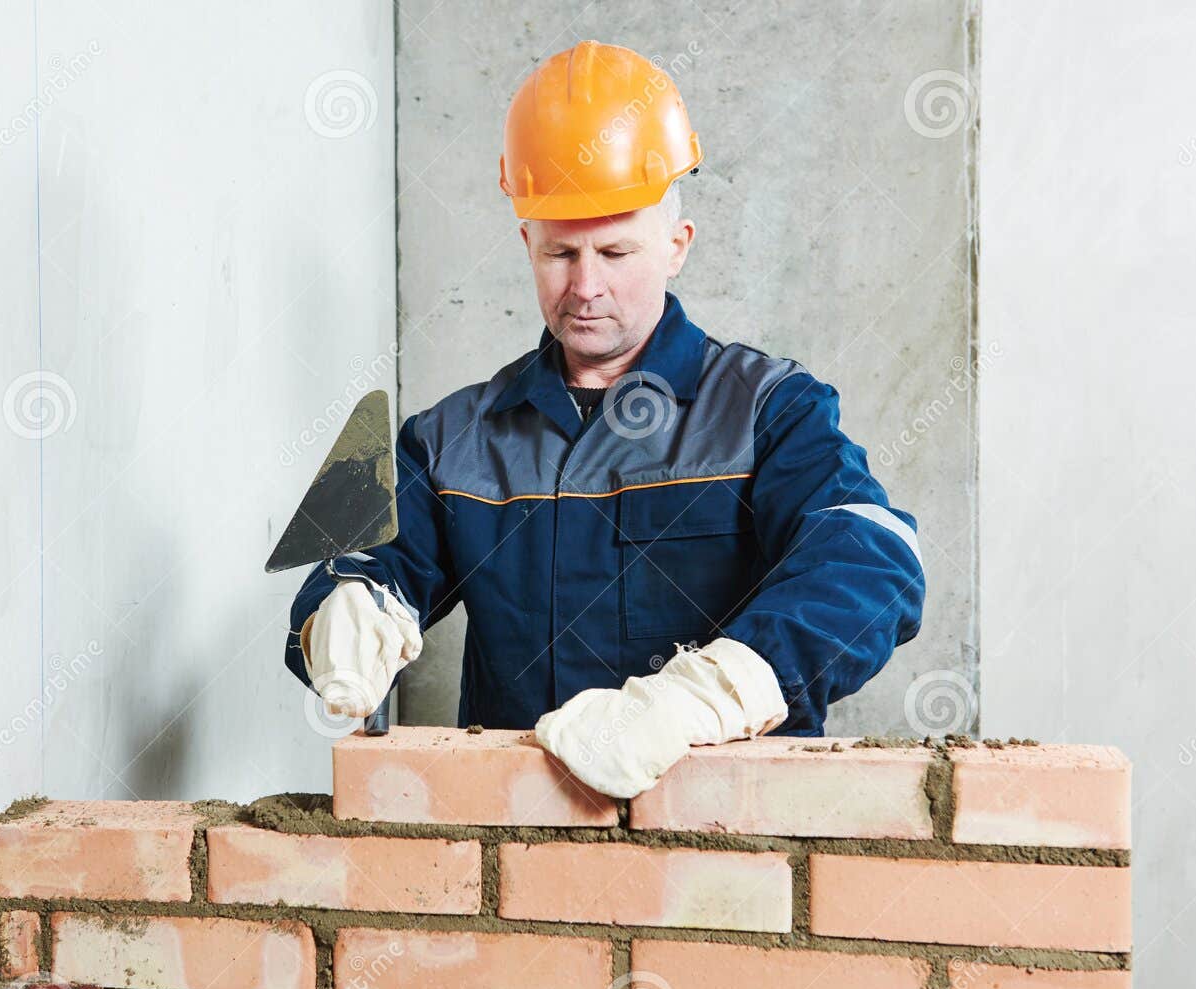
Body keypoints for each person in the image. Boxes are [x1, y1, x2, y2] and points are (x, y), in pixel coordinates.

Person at [285, 40, 924, 800]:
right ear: (526, 243)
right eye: (561, 253)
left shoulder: (769, 409)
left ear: (676, 247)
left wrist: (708, 695)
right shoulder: (450, 439)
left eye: (616, 252)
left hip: (727, 845)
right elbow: (364, 563)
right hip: (518, 843)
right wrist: (345, 609)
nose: (585, 286)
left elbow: (873, 561)